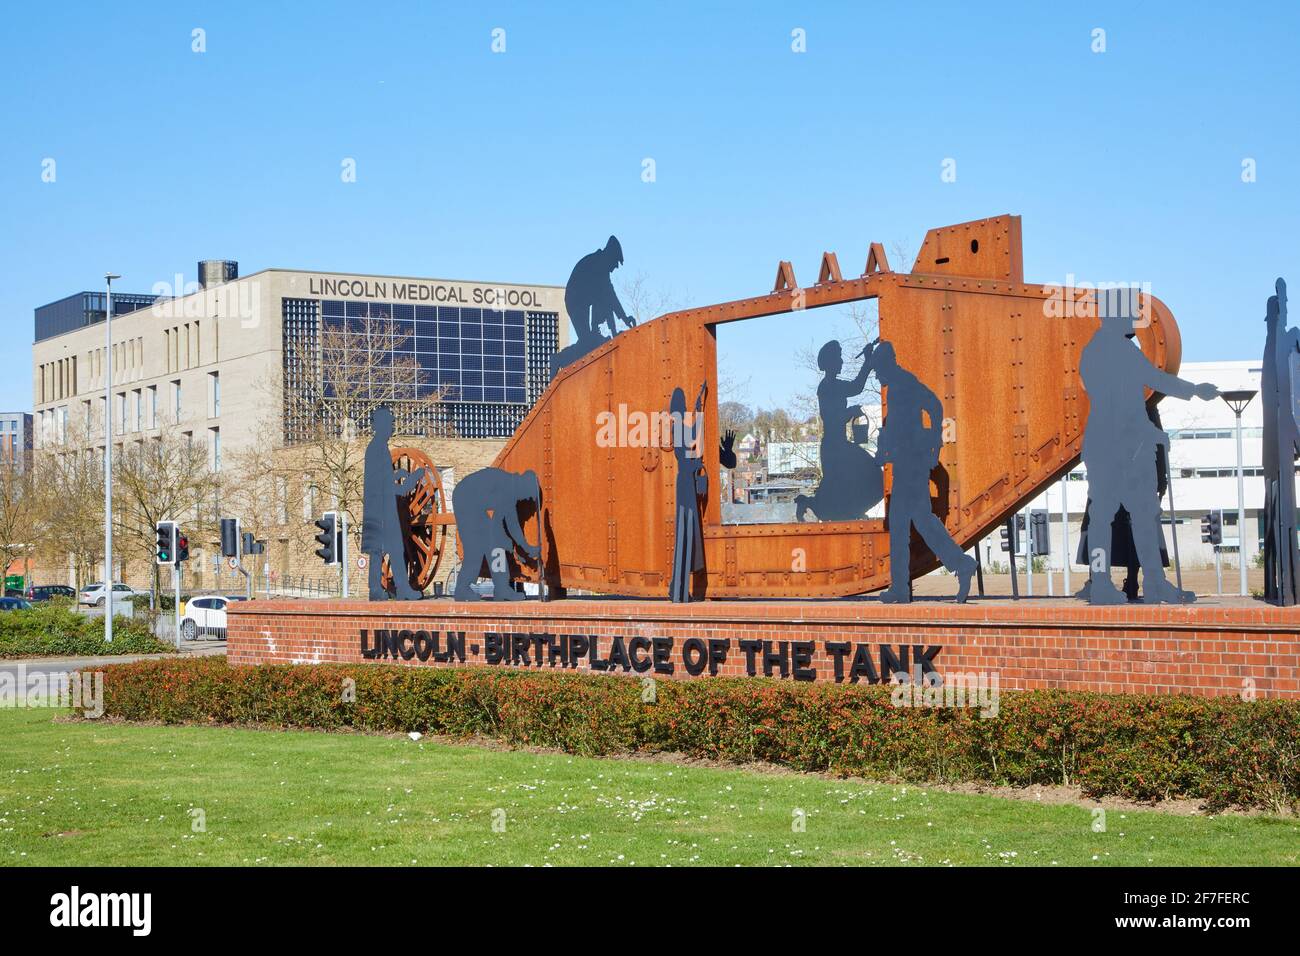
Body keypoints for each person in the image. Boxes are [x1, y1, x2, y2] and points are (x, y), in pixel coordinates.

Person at [1079, 292, 1217, 605]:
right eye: (1129, 316)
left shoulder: (1115, 350)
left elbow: (1148, 383)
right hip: (1114, 449)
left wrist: (1193, 391)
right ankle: (1103, 584)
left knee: (1140, 515)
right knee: (1105, 517)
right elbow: (1122, 401)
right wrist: (1150, 430)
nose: (1134, 322)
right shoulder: (1107, 351)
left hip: (1123, 446)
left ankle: (1153, 583)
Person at [872, 341, 977, 603]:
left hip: (910, 466)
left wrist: (934, 445)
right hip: (909, 464)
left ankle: (901, 588)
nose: (876, 376)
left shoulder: (903, 384)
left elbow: (934, 406)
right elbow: (914, 418)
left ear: (886, 363)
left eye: (877, 369)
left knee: (901, 525)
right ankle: (959, 565)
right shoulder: (898, 385)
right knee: (922, 522)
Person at [794, 339, 884, 522]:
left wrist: (868, 361)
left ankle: (830, 507)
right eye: (839, 358)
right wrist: (849, 412)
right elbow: (830, 418)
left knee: (842, 487)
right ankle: (819, 505)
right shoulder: (827, 387)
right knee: (874, 478)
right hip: (835, 448)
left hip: (837, 446)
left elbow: (856, 386)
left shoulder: (832, 385)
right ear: (831, 362)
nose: (842, 362)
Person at [361, 406, 426, 601]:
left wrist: (395, 474)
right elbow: (388, 488)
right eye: (389, 424)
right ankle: (403, 590)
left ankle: (374, 589)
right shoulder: (379, 449)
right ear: (380, 426)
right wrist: (413, 479)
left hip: (375, 510)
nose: (391, 428)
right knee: (396, 549)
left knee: (377, 552)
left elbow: (380, 480)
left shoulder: (374, 448)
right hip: (383, 511)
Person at [550, 236, 638, 379]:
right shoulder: (597, 265)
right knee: (587, 342)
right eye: (615, 263)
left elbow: (610, 297)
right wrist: (614, 330)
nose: (615, 267)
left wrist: (624, 318)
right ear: (609, 255)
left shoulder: (600, 266)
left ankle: (563, 357)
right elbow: (608, 299)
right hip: (576, 302)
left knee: (589, 342)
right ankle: (559, 359)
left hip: (584, 301)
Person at [1262, 278, 1300, 604]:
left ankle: (1287, 587)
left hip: (1283, 436)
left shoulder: (1289, 341)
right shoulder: (1275, 346)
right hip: (1274, 441)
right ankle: (1282, 587)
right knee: (1277, 510)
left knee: (1283, 511)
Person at [451, 468, 543, 602]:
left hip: (474, 503)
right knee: (475, 548)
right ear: (524, 487)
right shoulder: (508, 488)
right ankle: (462, 590)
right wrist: (525, 547)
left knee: (493, 545)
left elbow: (503, 526)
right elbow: (511, 523)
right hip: (465, 500)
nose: (526, 499)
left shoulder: (509, 484)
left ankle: (501, 589)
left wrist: (520, 547)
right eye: (528, 496)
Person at [669, 383, 708, 603]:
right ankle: (679, 590)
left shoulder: (679, 426)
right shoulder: (678, 428)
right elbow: (691, 446)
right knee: (685, 533)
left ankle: (680, 588)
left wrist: (698, 408)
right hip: (685, 483)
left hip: (685, 484)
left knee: (687, 533)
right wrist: (699, 411)